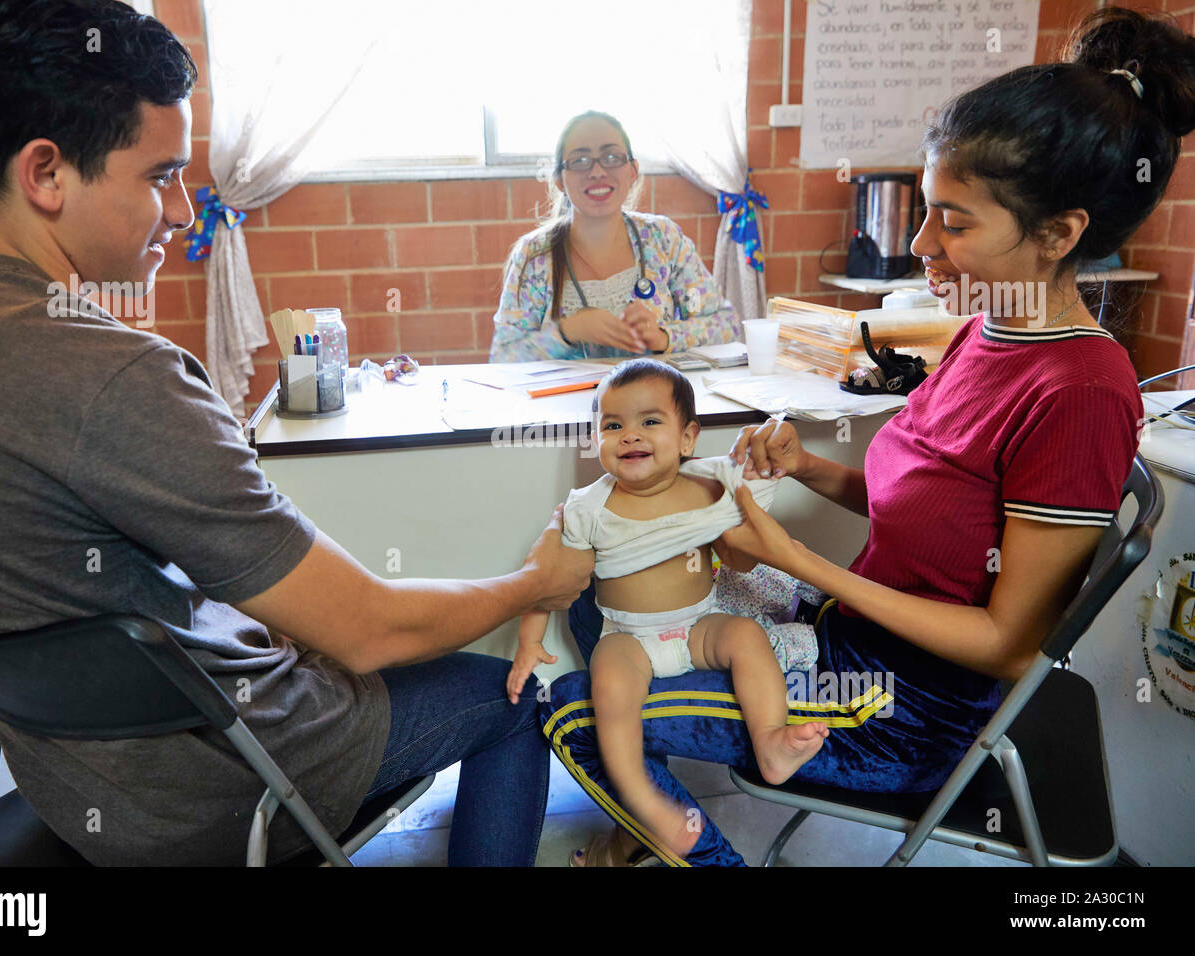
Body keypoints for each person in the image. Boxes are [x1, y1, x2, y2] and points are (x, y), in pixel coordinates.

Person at [0, 0, 592, 866]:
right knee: (515, 697)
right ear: (46, 172)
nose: (184, 212)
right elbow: (370, 631)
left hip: (67, 783)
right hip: (220, 788)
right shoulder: (116, 376)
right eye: (159, 176)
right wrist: (532, 583)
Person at [541, 4, 1192, 867]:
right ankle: (654, 818)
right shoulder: (987, 330)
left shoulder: (1079, 391)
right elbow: (923, 509)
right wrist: (804, 466)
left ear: (1060, 234)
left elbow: (1005, 647)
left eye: (955, 223)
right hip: (841, 633)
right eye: (927, 210)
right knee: (604, 594)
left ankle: (676, 841)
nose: (922, 244)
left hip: (906, 707)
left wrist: (788, 557)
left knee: (574, 714)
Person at [506, 360, 828, 860]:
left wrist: (764, 464)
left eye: (649, 421)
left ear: (687, 437)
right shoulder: (590, 508)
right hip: (630, 638)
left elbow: (748, 536)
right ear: (596, 439)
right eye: (613, 425)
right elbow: (551, 582)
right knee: (608, 681)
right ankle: (643, 800)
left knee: (746, 636)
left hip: (699, 625)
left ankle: (771, 742)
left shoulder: (708, 487)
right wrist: (530, 642)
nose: (629, 434)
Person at [489, 111, 740, 362]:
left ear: (633, 171)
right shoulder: (535, 256)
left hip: (652, 401)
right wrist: (567, 332)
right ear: (559, 181)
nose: (597, 171)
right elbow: (503, 359)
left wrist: (665, 337)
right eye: (579, 160)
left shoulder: (664, 240)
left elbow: (726, 326)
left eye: (611, 157)